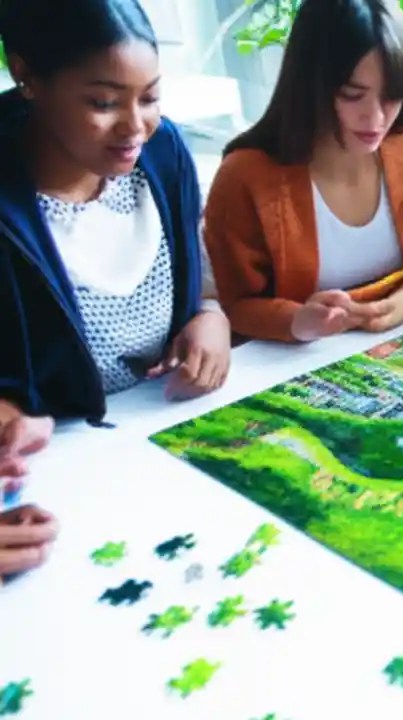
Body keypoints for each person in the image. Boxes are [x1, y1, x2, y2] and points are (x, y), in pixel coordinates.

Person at [0, 0, 230, 502]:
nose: (135, 128)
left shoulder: (164, 152)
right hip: (51, 481)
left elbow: (200, 279)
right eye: (103, 104)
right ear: (27, 77)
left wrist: (209, 315)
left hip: (165, 447)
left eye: (149, 97)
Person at [204, 0, 403, 343]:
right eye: (352, 95)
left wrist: (394, 308)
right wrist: (298, 321)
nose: (375, 119)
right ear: (311, 84)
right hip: (295, 358)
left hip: (397, 337)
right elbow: (233, 305)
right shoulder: (245, 176)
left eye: (391, 97)